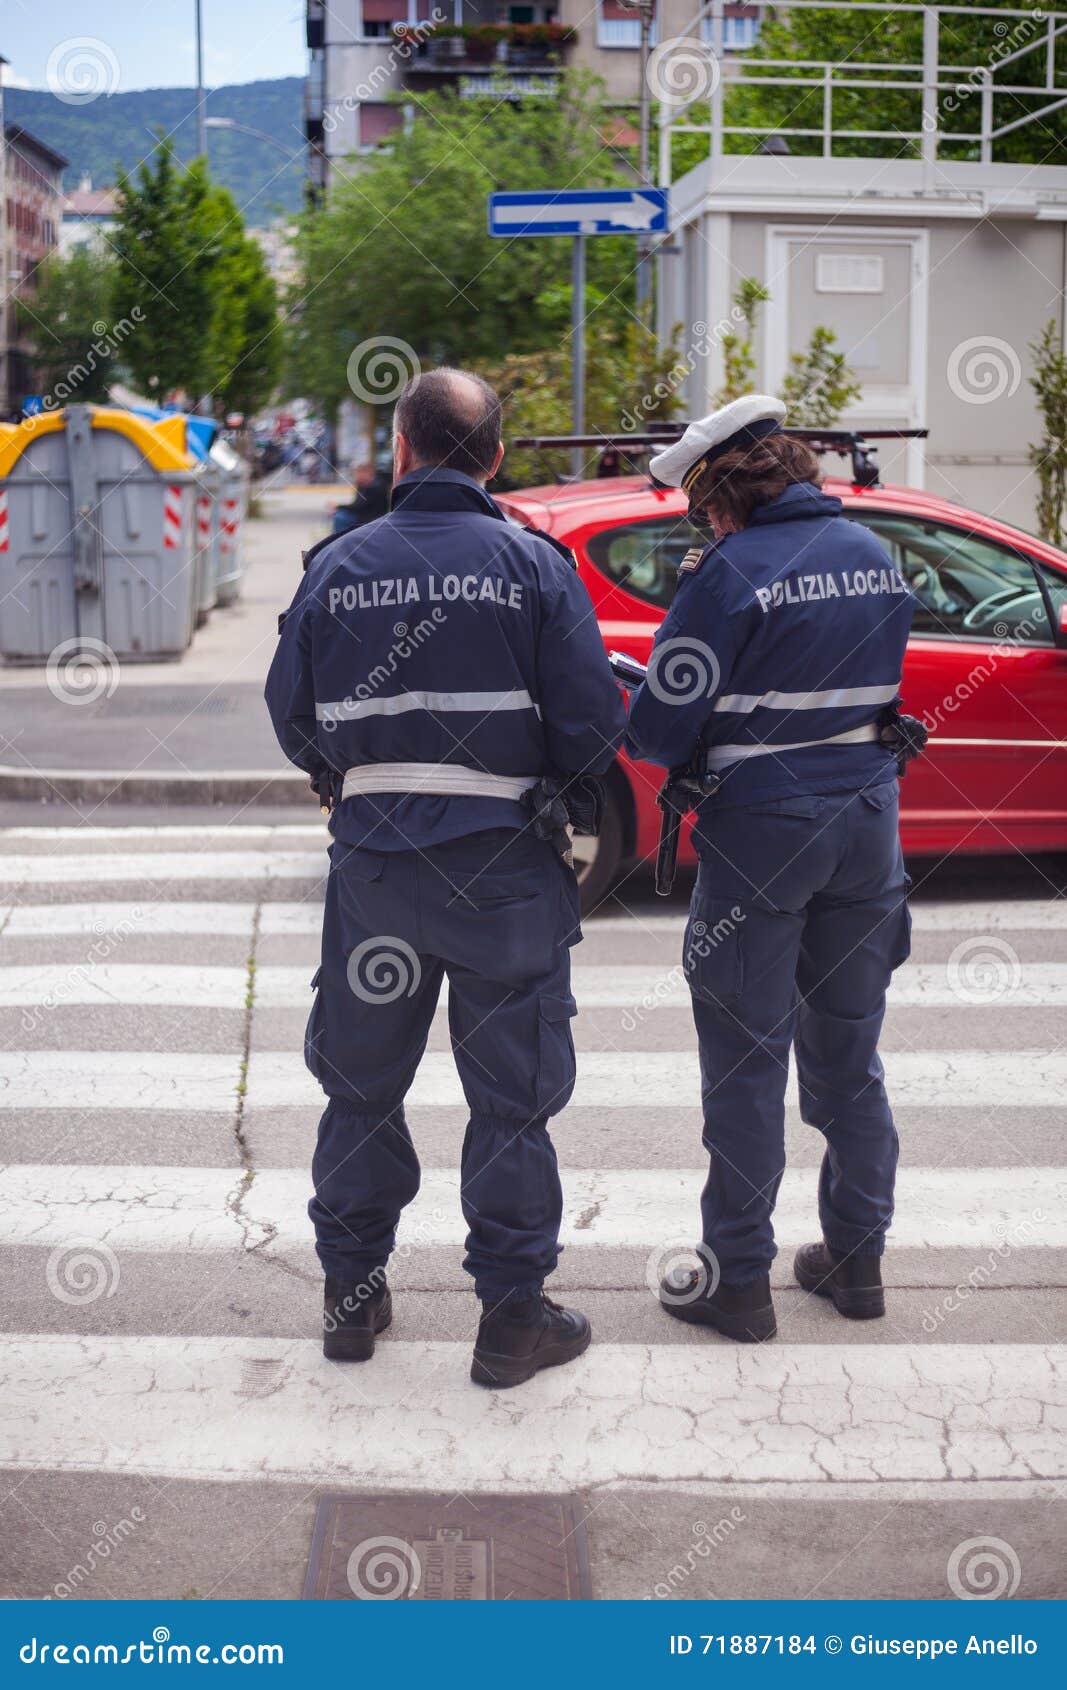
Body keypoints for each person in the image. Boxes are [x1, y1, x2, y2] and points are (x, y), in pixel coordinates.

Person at [265, 366, 626, 1387]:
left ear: (401, 451)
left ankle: (350, 1294)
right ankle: (510, 1320)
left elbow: (290, 713)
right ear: (497, 456)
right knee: (510, 1101)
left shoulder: (338, 565)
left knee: (360, 1088)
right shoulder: (533, 566)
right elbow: (594, 729)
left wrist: (349, 779)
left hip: (375, 874)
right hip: (504, 876)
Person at [626, 396, 915, 1343]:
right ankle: (856, 1260)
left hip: (763, 833)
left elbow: (661, 728)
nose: (700, 524)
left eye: (699, 507)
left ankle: (738, 1282)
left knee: (748, 1063)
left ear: (719, 496)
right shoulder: (873, 557)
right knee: (849, 1055)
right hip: (867, 823)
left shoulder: (730, 573)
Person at [331, 458, 391, 535]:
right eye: (356, 472)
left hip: (371, 519)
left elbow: (357, 506)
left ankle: (339, 539)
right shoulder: (363, 484)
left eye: (359, 472)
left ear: (369, 473)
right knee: (339, 514)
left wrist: (338, 506)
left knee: (340, 517)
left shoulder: (375, 486)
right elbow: (357, 504)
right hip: (363, 515)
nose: (357, 475)